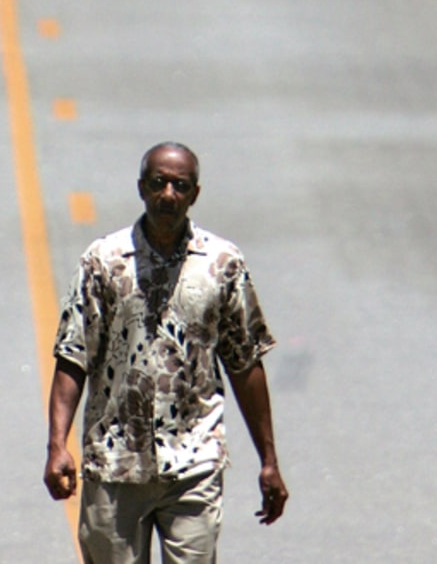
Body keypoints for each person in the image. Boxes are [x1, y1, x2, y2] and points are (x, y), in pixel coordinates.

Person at [43, 142, 288, 563]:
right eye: (158, 183)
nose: (168, 194)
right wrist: (57, 445)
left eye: (180, 185)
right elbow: (73, 356)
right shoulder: (103, 261)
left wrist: (269, 460)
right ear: (141, 188)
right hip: (114, 462)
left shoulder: (222, 263)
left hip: (194, 463)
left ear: (195, 194)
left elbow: (245, 363)